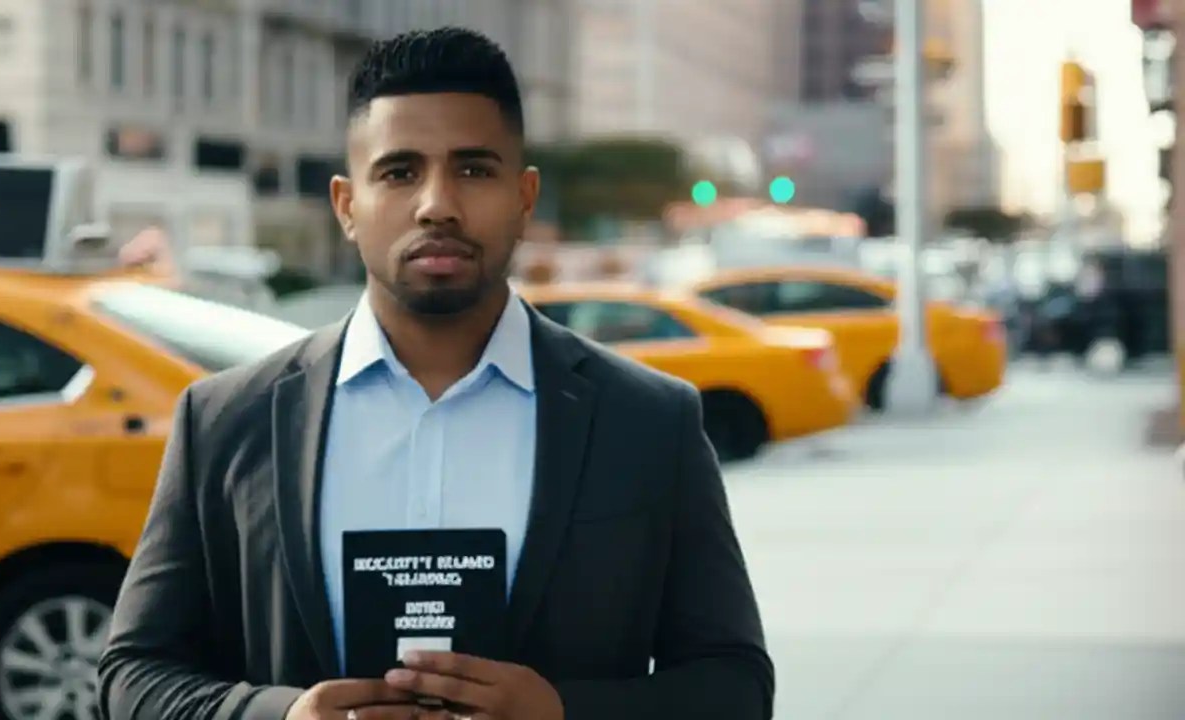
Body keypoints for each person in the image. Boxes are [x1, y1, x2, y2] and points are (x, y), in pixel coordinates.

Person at [98, 26, 774, 720]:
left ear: (525, 195)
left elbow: (735, 685)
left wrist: (563, 713)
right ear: (346, 205)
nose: (437, 204)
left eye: (475, 169)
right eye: (399, 172)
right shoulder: (225, 421)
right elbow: (132, 678)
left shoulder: (648, 420)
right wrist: (278, 717)